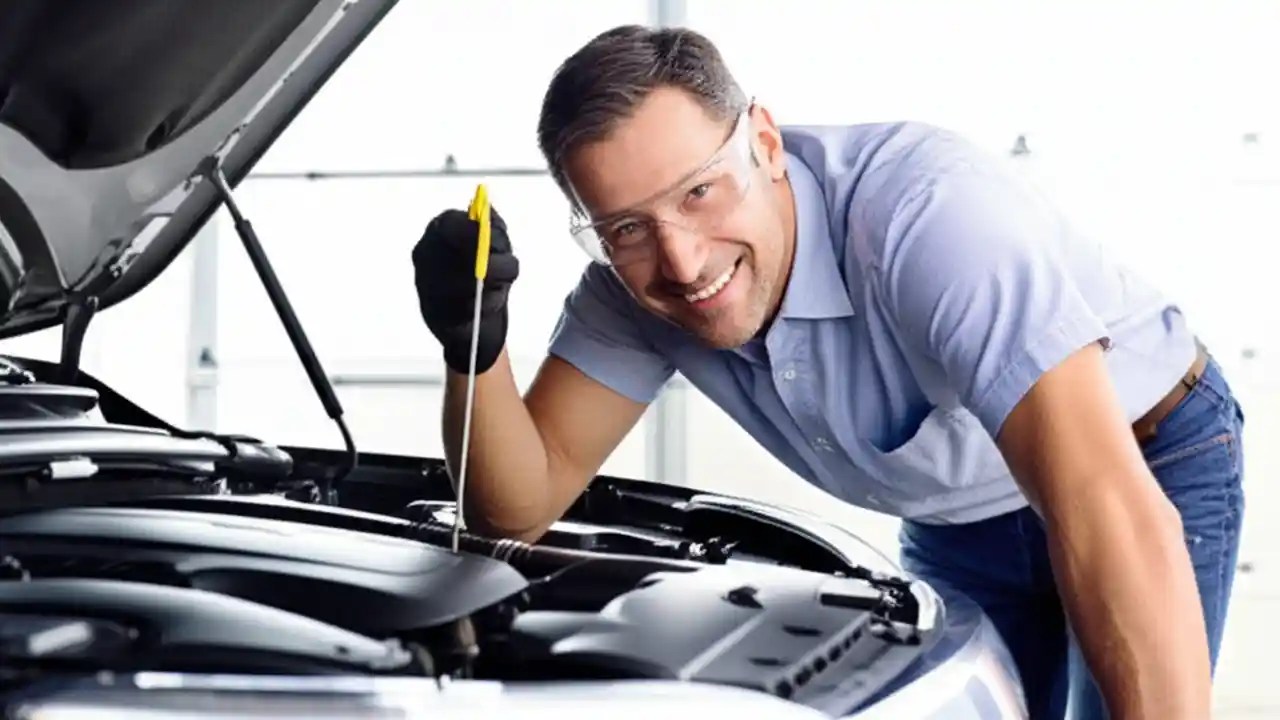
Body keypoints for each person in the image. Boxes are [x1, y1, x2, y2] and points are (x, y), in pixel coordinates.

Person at [411, 24, 1244, 720]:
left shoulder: (929, 218)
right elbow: (516, 506)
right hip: (956, 516)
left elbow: (1098, 500)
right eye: (626, 227)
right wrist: (474, 350)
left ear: (765, 145)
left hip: (1141, 455)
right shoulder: (634, 289)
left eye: (700, 191)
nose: (682, 259)